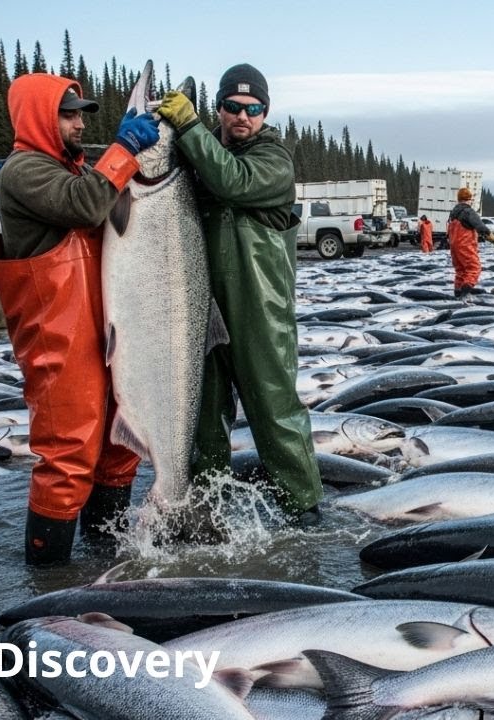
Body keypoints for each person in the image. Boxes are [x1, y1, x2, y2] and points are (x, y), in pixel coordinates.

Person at [0, 73, 161, 565]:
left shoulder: (75, 167)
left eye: (82, 112)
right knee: (68, 457)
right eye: (68, 114)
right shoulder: (22, 172)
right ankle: (48, 580)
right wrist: (126, 146)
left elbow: (95, 190)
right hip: (56, 339)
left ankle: (106, 557)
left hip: (105, 334)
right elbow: (84, 205)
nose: (80, 122)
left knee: (119, 446)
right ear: (39, 118)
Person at [156, 63, 323, 520]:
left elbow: (233, 180)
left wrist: (189, 126)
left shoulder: (275, 161)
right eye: (232, 106)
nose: (242, 116)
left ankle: (304, 509)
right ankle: (205, 513)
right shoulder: (195, 149)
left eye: (253, 109)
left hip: (261, 314)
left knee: (275, 413)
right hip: (198, 307)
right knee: (203, 421)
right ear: (220, 107)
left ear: (266, 114)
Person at [444, 186, 494, 300]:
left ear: (458, 199)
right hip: (465, 245)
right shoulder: (468, 211)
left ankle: (458, 291)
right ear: (469, 199)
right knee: (474, 268)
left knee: (460, 270)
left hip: (454, 246)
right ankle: (465, 294)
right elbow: (481, 227)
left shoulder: (453, 213)